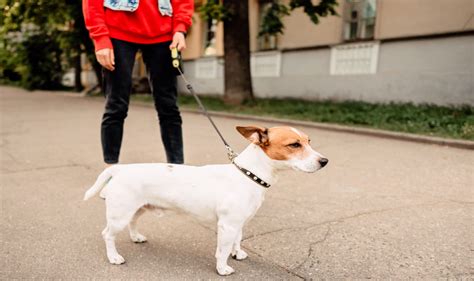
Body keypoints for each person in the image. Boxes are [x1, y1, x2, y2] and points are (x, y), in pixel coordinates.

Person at [83, 0, 193, 165]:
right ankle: (111, 171)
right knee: (116, 105)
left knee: (168, 106)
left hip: (163, 33)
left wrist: (180, 28)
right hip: (118, 31)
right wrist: (100, 38)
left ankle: (177, 169)